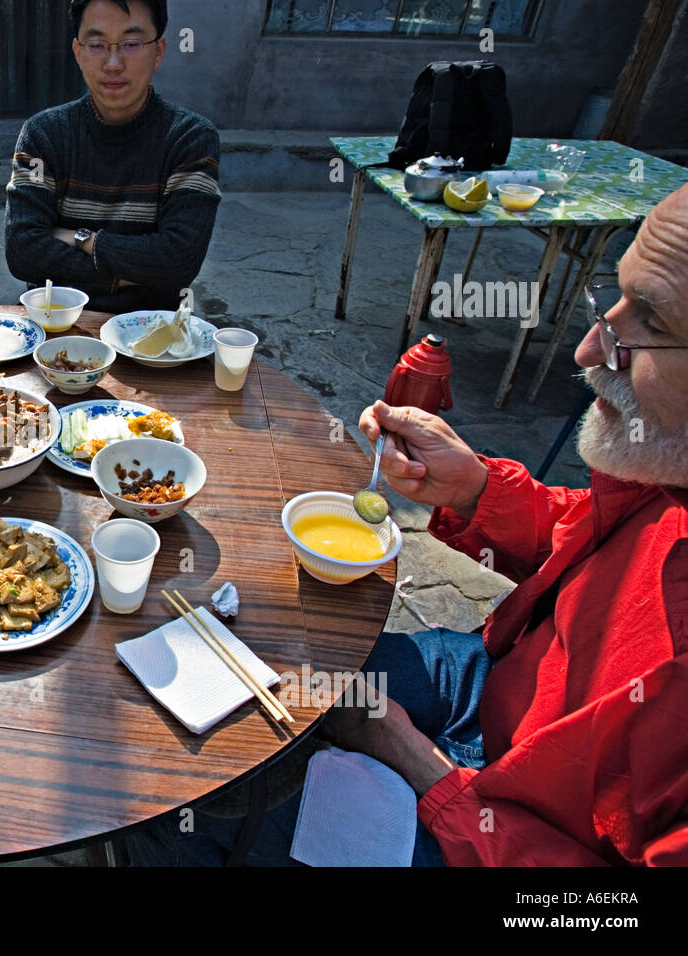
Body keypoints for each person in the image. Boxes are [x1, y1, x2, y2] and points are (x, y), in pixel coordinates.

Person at [128, 184, 688, 867]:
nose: (590, 349)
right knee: (232, 658)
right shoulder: (669, 477)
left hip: (506, 831)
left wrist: (419, 766)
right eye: (615, 299)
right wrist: (476, 488)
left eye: (651, 323)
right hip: (487, 684)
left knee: (168, 804)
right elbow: (600, 546)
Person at [4, 0, 221, 315]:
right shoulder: (44, 134)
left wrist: (82, 240)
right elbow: (23, 251)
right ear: (78, 52)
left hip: (151, 336)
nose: (113, 63)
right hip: (57, 324)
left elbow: (179, 260)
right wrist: (131, 274)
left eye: (132, 44)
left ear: (158, 51)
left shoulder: (189, 138)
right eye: (97, 45)